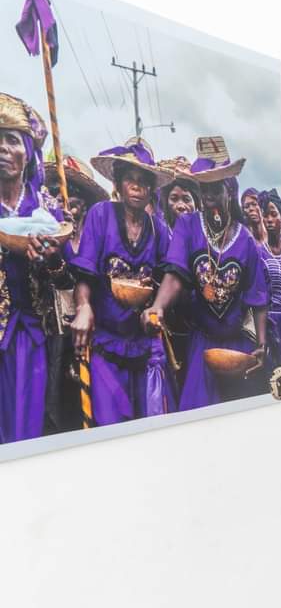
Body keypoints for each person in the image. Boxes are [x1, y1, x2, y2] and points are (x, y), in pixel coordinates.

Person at [141, 136, 267, 410]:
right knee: (198, 411)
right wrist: (158, 307)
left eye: (216, 189)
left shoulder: (246, 240)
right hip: (202, 343)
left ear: (230, 191)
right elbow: (175, 274)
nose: (209, 196)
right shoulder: (188, 227)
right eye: (204, 189)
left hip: (237, 343)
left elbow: (258, 297)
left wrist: (262, 343)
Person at [70, 139, 174, 424]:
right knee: (108, 423)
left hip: (143, 346)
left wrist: (157, 307)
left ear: (152, 189)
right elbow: (85, 272)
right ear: (118, 183)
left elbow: (170, 276)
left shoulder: (159, 229)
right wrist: (83, 308)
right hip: (105, 342)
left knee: (145, 424)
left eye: (144, 182)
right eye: (131, 179)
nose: (138, 187)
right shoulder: (100, 215)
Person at [0, 92, 67, 443]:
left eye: (12, 140)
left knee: (25, 429)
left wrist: (52, 258)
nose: (3, 149)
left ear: (28, 152)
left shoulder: (48, 207)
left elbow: (64, 279)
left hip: (29, 333)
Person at [42, 154, 108, 434]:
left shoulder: (99, 233)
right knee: (62, 398)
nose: (67, 197)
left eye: (74, 191)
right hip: (59, 331)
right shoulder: (51, 231)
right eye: (58, 191)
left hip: (98, 327)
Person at [258, 188, 281, 374]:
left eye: (273, 214)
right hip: (273, 325)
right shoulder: (259, 253)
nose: (269, 220)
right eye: (266, 215)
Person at [155, 156, 200, 232]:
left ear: (196, 204)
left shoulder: (205, 235)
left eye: (186, 199)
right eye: (174, 199)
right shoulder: (158, 234)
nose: (181, 206)